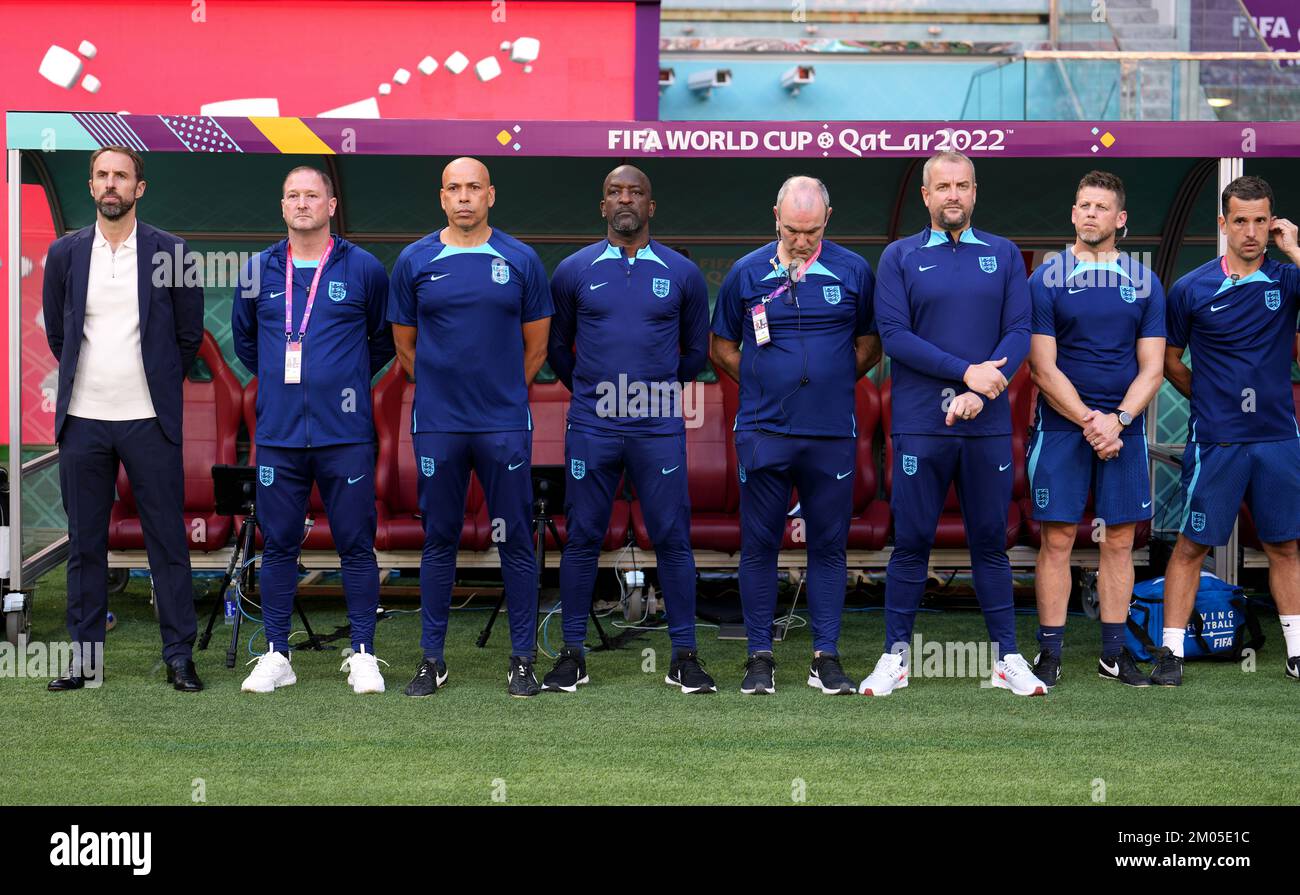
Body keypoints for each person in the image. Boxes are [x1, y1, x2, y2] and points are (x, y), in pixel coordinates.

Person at [863, 149, 1045, 697]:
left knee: (990, 542)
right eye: (943, 187)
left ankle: (1007, 658)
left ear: (974, 191)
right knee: (911, 541)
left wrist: (982, 390)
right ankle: (895, 659)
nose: (953, 196)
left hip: (987, 423)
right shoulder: (898, 256)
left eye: (962, 186)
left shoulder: (1005, 253)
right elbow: (894, 337)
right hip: (921, 421)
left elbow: (1019, 331)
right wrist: (968, 374)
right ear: (926, 196)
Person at [543, 165, 713, 693]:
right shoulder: (573, 270)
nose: (625, 200)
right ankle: (572, 655)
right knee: (583, 536)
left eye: (635, 193)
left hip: (658, 424)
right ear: (602, 206)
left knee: (672, 537)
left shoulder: (682, 273)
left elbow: (695, 354)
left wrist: (651, 393)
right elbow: (557, 351)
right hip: (593, 424)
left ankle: (684, 656)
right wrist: (599, 393)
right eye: (615, 192)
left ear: (650, 206)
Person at [710, 175, 881, 695]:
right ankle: (759, 656)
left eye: (810, 230)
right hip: (764, 432)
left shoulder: (854, 271)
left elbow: (870, 345)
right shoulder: (745, 272)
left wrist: (826, 383)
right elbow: (721, 348)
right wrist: (765, 382)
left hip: (830, 434)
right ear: (775, 218)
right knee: (758, 544)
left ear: (827, 218)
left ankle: (825, 656)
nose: (800, 240)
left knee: (828, 547)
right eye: (791, 230)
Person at [42, 145, 204, 691]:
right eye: (102, 176)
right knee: (85, 543)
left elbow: (187, 339)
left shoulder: (172, 252)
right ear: (91, 187)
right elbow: (59, 337)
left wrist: (150, 387)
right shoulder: (65, 254)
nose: (112, 184)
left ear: (140, 188)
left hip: (148, 421)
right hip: (83, 418)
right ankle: (85, 660)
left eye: (122, 176)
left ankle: (179, 655)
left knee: (167, 541)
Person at [389, 157, 553, 698]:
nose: (464, 197)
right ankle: (431, 660)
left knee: (516, 543)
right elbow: (404, 346)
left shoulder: (521, 259)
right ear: (442, 197)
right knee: (439, 538)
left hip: (504, 423)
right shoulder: (415, 260)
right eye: (454, 189)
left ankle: (522, 660)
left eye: (474, 188)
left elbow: (537, 347)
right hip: (438, 425)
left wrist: (499, 393)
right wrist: (445, 391)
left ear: (490, 195)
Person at [231, 166, 394, 694]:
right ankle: (278, 653)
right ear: (282, 207)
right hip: (278, 434)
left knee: (355, 543)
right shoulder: (257, 271)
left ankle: (364, 652)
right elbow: (247, 344)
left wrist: (339, 379)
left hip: (344, 432)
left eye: (312, 195)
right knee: (278, 544)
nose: (302, 204)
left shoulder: (365, 268)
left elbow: (382, 341)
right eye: (293, 196)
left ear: (330, 205)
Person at [1157, 175, 1300, 686]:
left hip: (1278, 436)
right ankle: (1170, 652)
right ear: (1223, 223)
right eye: (1240, 220)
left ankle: (1296, 652)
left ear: (1272, 223)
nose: (1251, 231)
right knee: (1192, 545)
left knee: (1285, 545)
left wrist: (1297, 250)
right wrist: (1207, 400)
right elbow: (1169, 360)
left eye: (1262, 220)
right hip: (1216, 438)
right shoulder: (1190, 287)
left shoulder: (1287, 280)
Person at [1026, 170, 1166, 688]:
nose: (1090, 214)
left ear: (1120, 219)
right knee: (1058, 539)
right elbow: (1042, 368)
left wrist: (1120, 421)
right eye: (1083, 205)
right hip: (1064, 429)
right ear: (1073, 213)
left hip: (1123, 430)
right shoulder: (1045, 278)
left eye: (1101, 207)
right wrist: (1090, 420)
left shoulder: (1144, 281)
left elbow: (1152, 367)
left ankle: (1113, 655)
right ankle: (1050, 656)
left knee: (1120, 541)